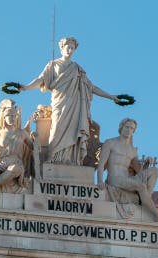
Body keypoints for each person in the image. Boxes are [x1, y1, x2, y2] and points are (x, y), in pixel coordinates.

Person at [17, 37, 120, 165]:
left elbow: (92, 87)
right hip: (60, 103)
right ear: (62, 48)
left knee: (73, 132)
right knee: (57, 129)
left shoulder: (77, 69)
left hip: (75, 105)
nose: (70, 50)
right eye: (68, 47)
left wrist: (111, 96)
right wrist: (26, 87)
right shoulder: (53, 65)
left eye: (72, 48)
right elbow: (41, 80)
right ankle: (52, 158)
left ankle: (71, 160)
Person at [96, 118, 158, 223]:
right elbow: (101, 164)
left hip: (127, 179)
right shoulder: (110, 143)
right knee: (140, 186)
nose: (129, 130)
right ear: (121, 128)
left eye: (132, 128)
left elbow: (139, 171)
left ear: (134, 131)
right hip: (114, 179)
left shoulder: (132, 150)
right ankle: (157, 215)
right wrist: (100, 181)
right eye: (127, 127)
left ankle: (146, 199)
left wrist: (146, 163)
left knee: (155, 171)